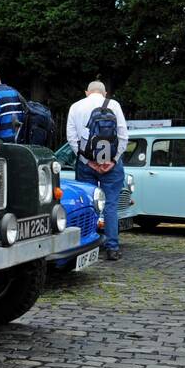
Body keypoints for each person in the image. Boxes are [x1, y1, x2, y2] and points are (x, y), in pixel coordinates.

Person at [66, 80, 129, 260]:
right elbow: (123, 136)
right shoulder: (114, 105)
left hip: (87, 164)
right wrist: (113, 160)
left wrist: (88, 161)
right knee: (110, 205)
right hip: (110, 163)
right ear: (105, 93)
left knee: (87, 204)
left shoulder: (75, 107)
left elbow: (72, 139)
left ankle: (88, 244)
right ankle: (112, 247)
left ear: (87, 92)